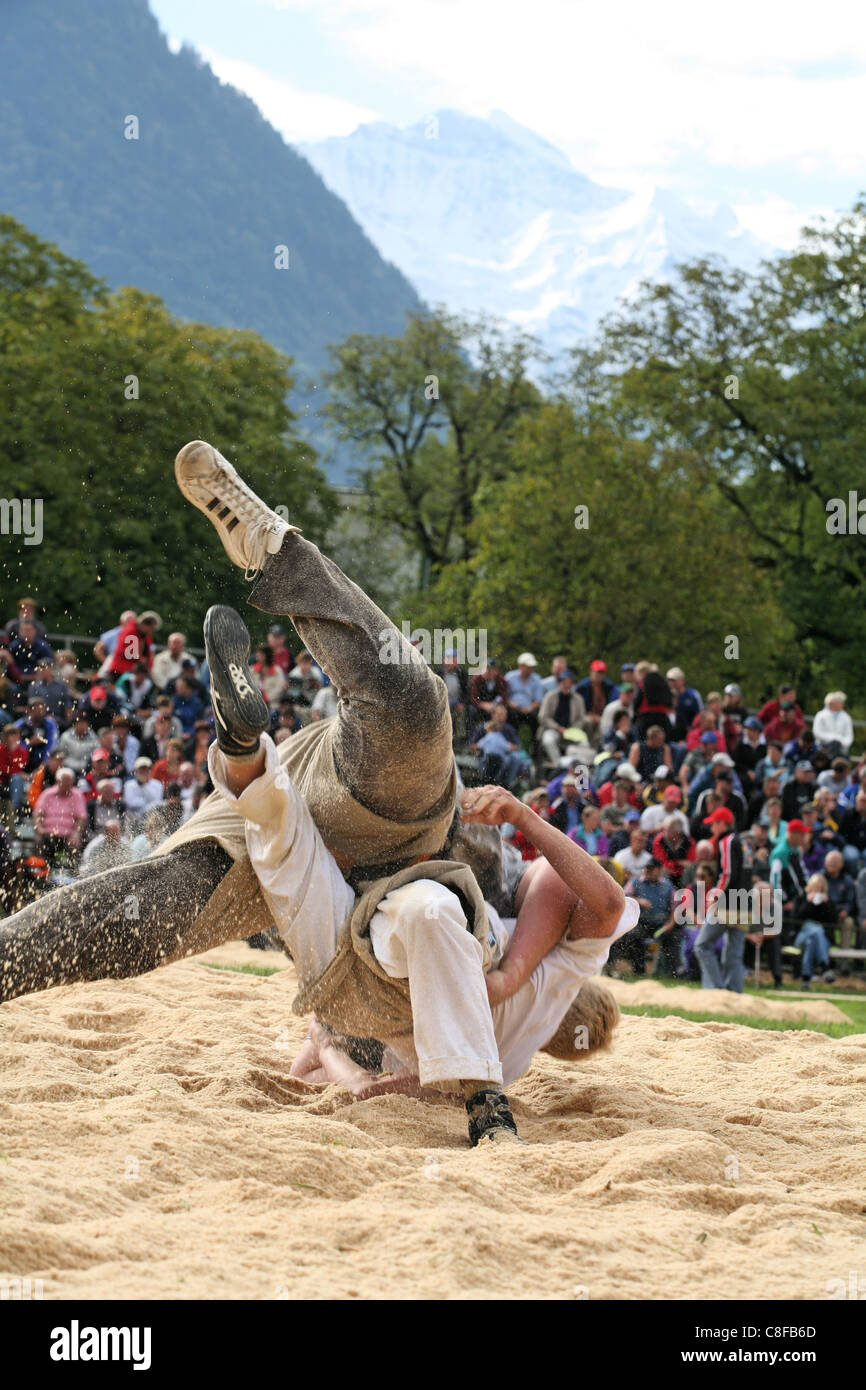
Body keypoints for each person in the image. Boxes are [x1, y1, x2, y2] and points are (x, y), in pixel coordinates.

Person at [694, 806, 752, 993]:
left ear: (723, 824)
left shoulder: (727, 841)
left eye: (714, 824)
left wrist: (715, 894)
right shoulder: (743, 842)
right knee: (733, 954)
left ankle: (716, 989)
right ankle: (734, 992)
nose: (712, 829)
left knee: (702, 945)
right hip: (745, 903)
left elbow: (727, 873)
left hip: (729, 903)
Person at [791, 874, 837, 989]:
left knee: (811, 941)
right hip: (801, 936)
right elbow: (795, 920)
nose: (817, 890)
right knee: (816, 929)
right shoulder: (801, 899)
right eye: (815, 887)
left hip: (822, 939)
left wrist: (826, 904)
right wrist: (808, 903)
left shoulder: (828, 902)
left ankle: (806, 980)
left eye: (820, 888)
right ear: (810, 887)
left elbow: (833, 921)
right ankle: (824, 967)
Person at [538, 670, 587, 767]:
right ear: (559, 683)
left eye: (569, 682)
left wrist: (571, 730)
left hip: (572, 731)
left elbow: (582, 719)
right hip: (553, 730)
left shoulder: (578, 699)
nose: (566, 685)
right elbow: (543, 717)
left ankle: (581, 768)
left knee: (585, 744)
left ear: (572, 684)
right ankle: (559, 765)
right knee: (548, 740)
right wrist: (557, 727)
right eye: (564, 682)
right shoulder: (550, 696)